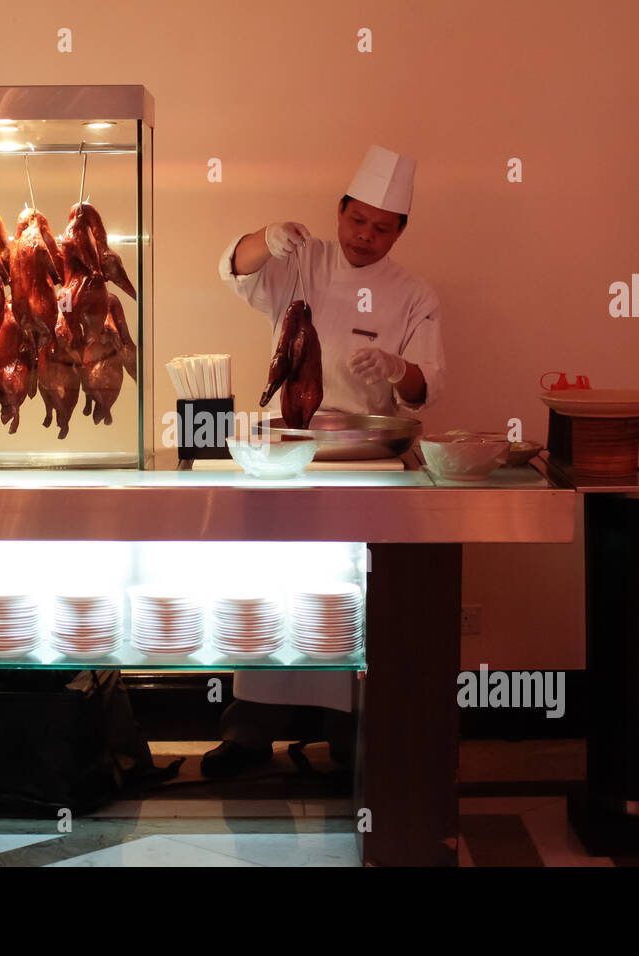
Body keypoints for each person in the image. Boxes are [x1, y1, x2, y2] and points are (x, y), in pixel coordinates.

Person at [203, 145, 446, 778]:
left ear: (400, 231)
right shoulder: (302, 261)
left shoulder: (415, 293)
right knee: (266, 586)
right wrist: (265, 237)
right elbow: (233, 268)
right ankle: (249, 733)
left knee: (349, 594)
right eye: (356, 220)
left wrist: (400, 370)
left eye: (381, 228)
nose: (365, 237)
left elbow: (429, 385)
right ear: (339, 211)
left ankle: (350, 734)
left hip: (367, 456)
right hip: (287, 451)